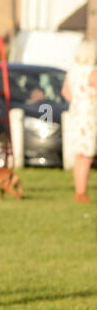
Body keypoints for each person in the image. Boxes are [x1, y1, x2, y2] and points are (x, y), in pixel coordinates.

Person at [62, 37, 97, 204]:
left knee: (81, 155)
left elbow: (66, 93)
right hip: (90, 117)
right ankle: (81, 192)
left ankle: (80, 190)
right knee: (87, 155)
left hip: (77, 115)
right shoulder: (92, 71)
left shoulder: (73, 71)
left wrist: (78, 101)